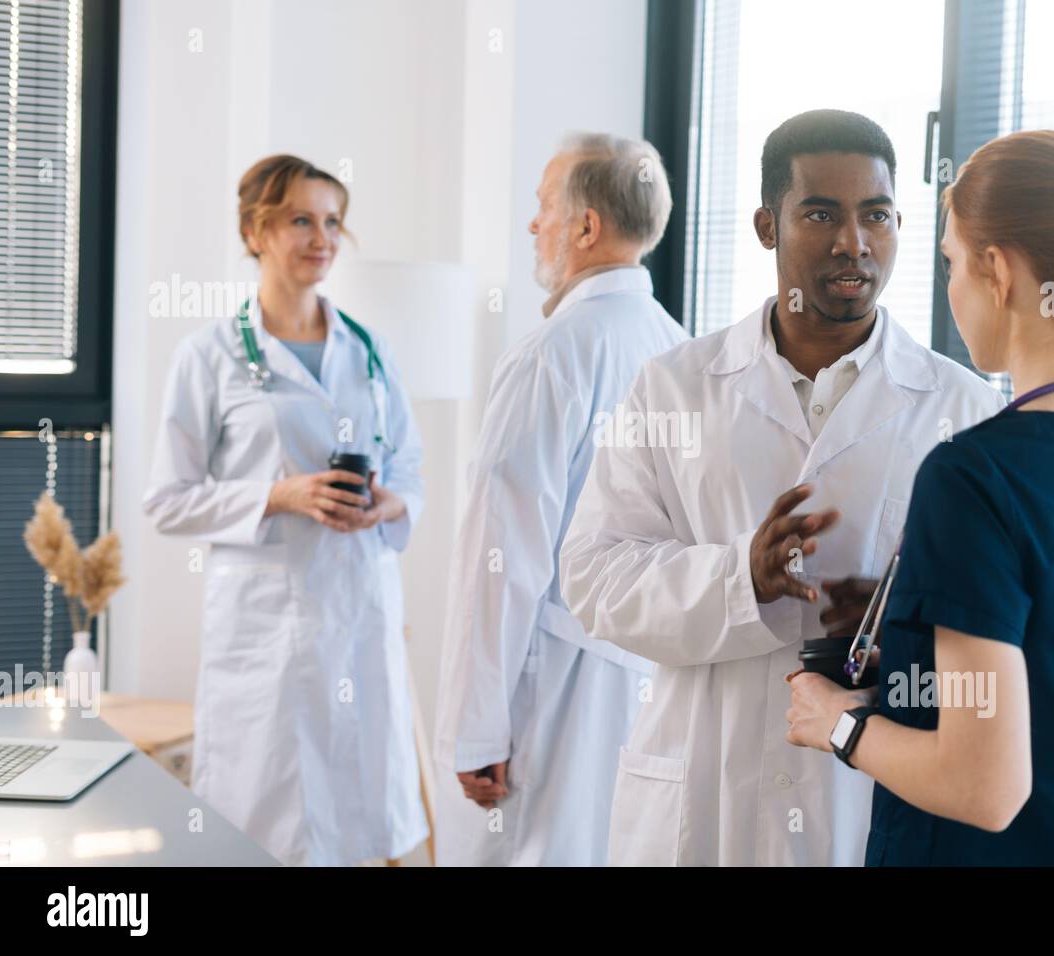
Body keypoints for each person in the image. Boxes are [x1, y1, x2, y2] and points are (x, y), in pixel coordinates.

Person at [560, 110, 1004, 866]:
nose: (853, 243)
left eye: (877, 216)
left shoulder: (963, 408)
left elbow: (999, 625)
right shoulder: (673, 387)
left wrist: (898, 622)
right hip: (703, 788)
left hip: (867, 789)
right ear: (768, 225)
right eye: (821, 214)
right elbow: (593, 575)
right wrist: (742, 576)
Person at [785, 130, 1054, 866]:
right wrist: (924, 688)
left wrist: (838, 724)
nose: (949, 288)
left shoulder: (973, 476)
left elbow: (986, 788)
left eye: (951, 262)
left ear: (997, 271)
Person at [143, 155, 426, 866]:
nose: (322, 237)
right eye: (301, 219)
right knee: (264, 831)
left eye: (332, 221)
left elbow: (410, 469)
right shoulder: (209, 356)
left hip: (359, 609)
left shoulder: (370, 352)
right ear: (254, 231)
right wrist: (280, 495)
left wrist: (392, 504)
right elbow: (166, 501)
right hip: (265, 630)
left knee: (359, 822)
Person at [433, 133, 687, 866]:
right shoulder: (679, 351)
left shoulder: (553, 352)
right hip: (645, 690)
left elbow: (501, 552)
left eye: (544, 206)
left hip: (549, 691)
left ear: (585, 227)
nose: (532, 225)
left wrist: (475, 730)